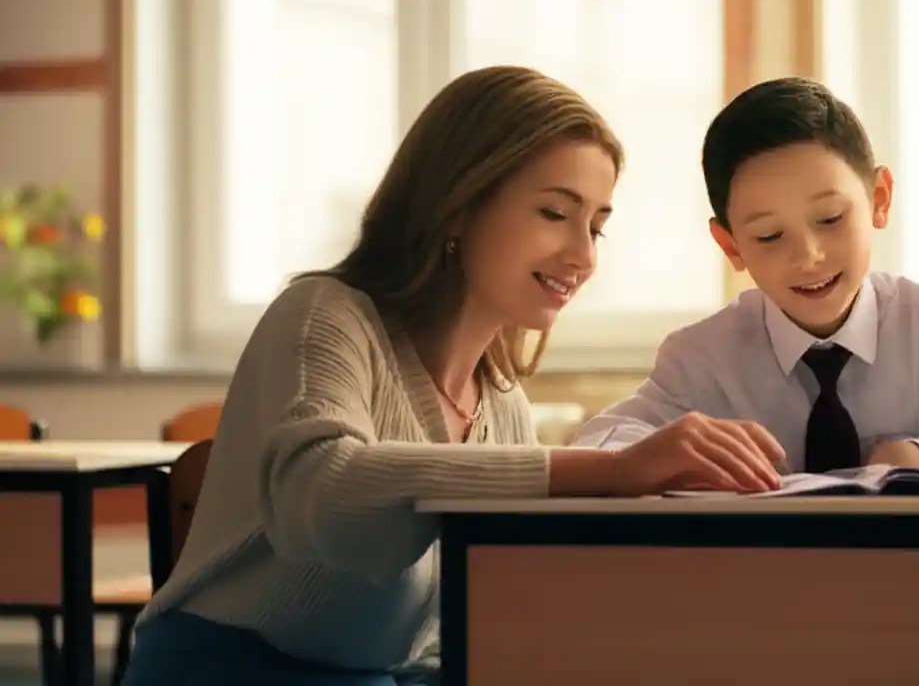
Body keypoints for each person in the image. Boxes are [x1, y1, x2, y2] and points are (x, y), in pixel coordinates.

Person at [122, 66, 784, 686]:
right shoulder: (324, 316)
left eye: (597, 226)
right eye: (555, 213)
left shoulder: (502, 405)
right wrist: (606, 470)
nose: (582, 255)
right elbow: (321, 495)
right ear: (458, 203)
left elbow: (488, 609)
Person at [575, 77, 919, 481]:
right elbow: (596, 444)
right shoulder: (701, 360)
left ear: (879, 198)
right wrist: (667, 450)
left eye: (831, 219)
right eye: (769, 236)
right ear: (731, 245)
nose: (808, 257)